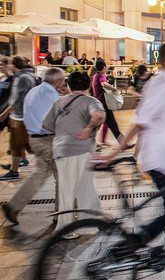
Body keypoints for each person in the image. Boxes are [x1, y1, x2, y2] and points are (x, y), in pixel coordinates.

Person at [98, 44, 165, 276]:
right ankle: (138, 243)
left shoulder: (163, 83)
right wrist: (115, 153)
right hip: (160, 159)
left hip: (163, 157)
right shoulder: (163, 84)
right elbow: (141, 121)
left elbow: (160, 124)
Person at [42, 71, 105, 236]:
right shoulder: (90, 101)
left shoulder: (59, 102)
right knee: (84, 187)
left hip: (61, 150)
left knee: (67, 188)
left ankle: (68, 227)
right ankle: (88, 223)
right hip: (81, 150)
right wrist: (88, 128)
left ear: (69, 85)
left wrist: (64, 131)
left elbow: (46, 125)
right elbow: (99, 115)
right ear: (88, 85)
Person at [1, 68, 66, 227]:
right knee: (63, 178)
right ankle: (62, 218)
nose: (64, 83)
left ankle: (14, 206)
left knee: (40, 174)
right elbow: (59, 120)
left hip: (34, 138)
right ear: (57, 82)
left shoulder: (33, 92)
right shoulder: (52, 96)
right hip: (48, 139)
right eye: (63, 80)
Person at [0, 56, 37, 180]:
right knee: (17, 144)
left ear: (13, 65)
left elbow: (20, 99)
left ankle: (15, 170)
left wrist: (5, 113)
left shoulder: (24, 78)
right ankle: (14, 169)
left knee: (23, 144)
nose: (6, 66)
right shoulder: (19, 77)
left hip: (21, 116)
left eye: (8, 64)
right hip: (18, 115)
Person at [92, 59, 127, 147]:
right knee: (112, 124)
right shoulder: (101, 75)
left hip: (99, 103)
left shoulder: (96, 75)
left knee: (103, 124)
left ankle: (94, 142)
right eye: (106, 65)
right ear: (104, 67)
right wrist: (114, 89)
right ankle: (123, 143)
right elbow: (104, 84)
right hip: (103, 104)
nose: (107, 66)